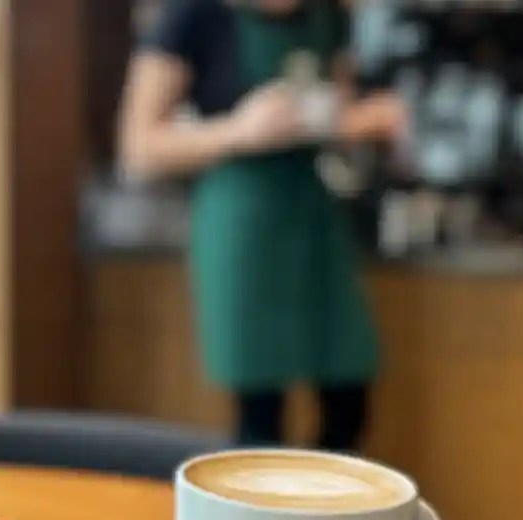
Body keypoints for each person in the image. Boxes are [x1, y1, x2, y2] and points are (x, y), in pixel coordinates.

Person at [119, 0, 405, 447]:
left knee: (348, 399)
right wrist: (237, 130)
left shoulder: (328, 15)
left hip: (313, 212)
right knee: (260, 415)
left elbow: (333, 109)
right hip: (241, 219)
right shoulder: (192, 16)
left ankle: (323, 513)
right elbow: (139, 148)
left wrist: (360, 121)